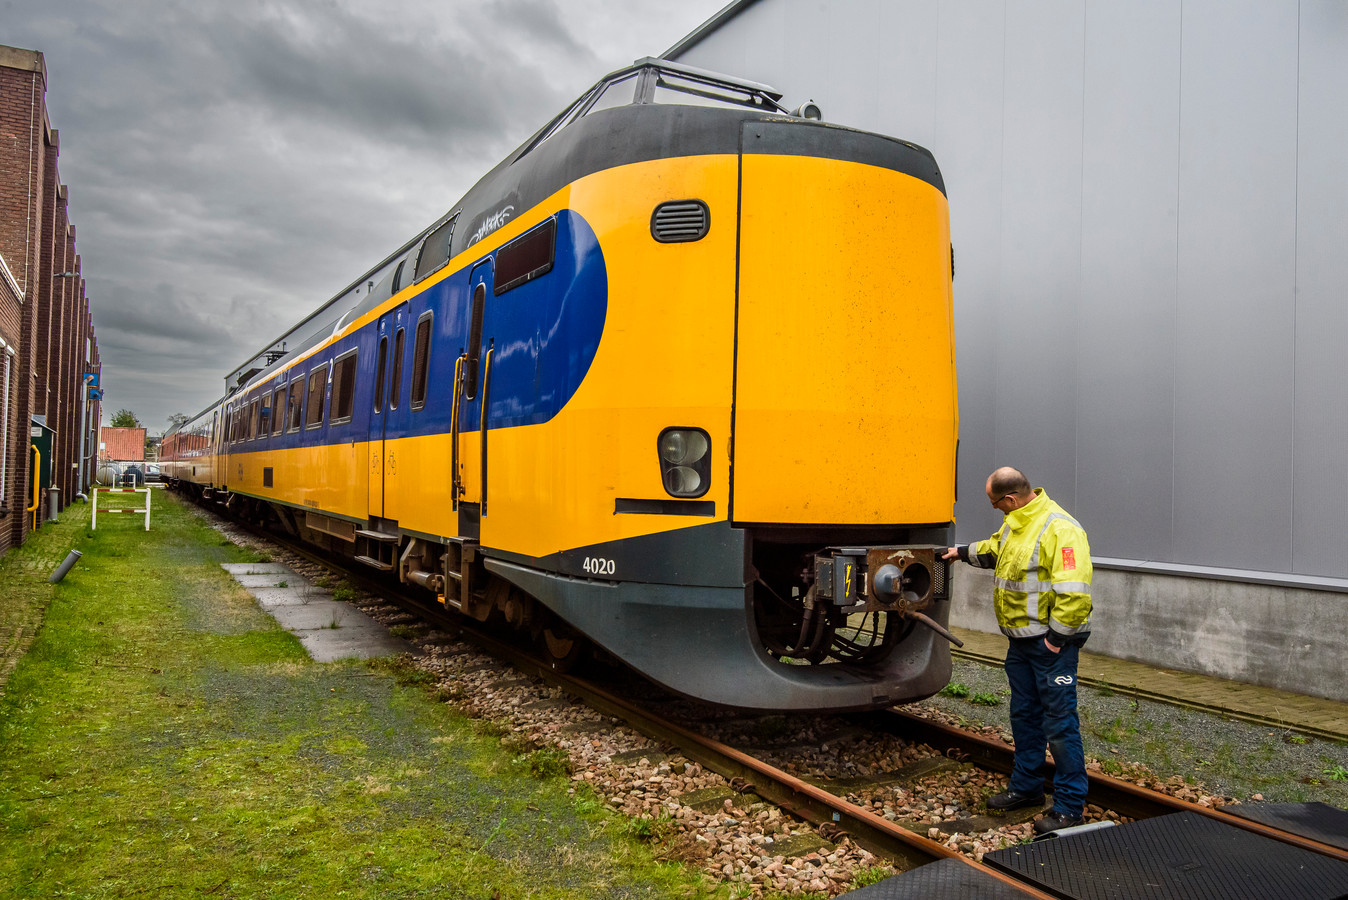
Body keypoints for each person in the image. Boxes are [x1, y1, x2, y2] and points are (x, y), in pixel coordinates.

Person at [940, 466, 1093, 834]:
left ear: (1009, 498)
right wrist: (960, 553)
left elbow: (1074, 595)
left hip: (1050, 646)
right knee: (1024, 717)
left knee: (1059, 724)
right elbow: (997, 549)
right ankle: (1027, 790)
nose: (997, 511)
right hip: (1022, 644)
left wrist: (1055, 639)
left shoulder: (1061, 528)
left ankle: (1070, 807)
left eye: (996, 504)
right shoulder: (1016, 522)